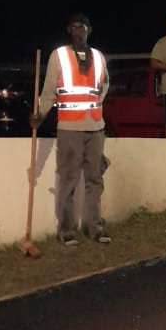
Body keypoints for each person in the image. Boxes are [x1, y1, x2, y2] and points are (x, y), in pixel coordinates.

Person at [31, 13, 111, 244]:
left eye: (83, 26)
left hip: (96, 126)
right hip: (70, 127)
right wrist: (40, 114)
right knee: (69, 179)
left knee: (95, 179)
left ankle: (95, 227)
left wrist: (96, 101)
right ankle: (66, 231)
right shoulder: (59, 56)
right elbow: (49, 92)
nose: (79, 30)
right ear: (69, 30)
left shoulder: (98, 56)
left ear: (89, 30)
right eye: (75, 27)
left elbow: (105, 83)